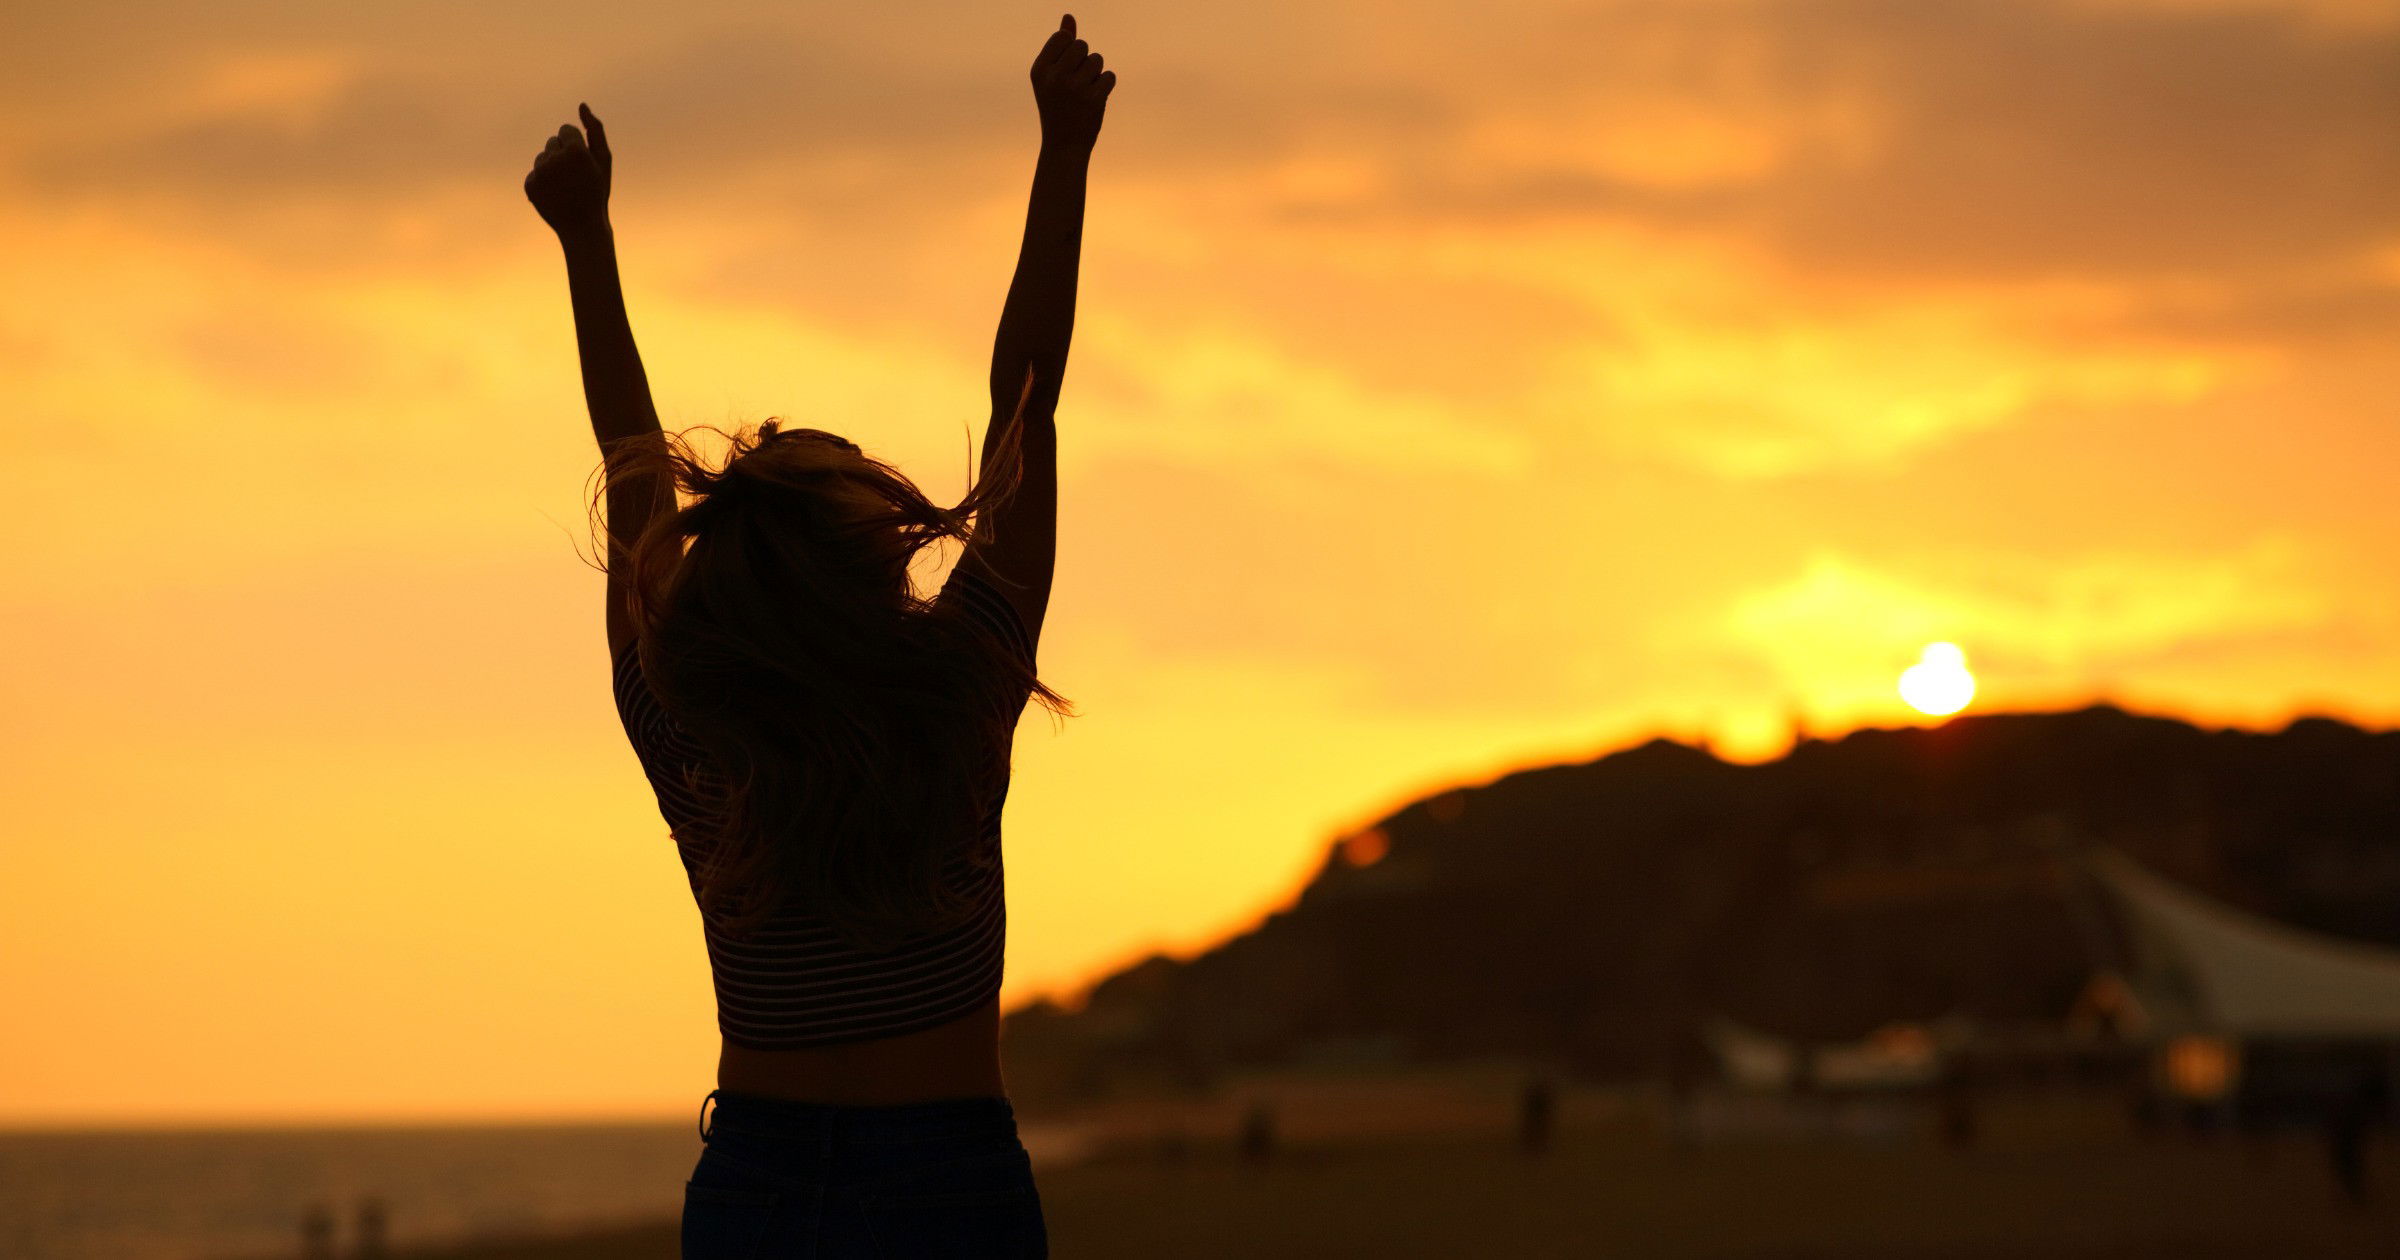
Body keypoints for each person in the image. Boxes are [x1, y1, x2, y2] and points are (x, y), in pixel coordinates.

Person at [522, 14, 1114, 1257]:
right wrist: (1063, 151)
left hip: (761, 1182)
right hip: (947, 1179)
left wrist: (587, 243)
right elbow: (1026, 404)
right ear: (870, 545)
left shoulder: (691, 730)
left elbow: (633, 478)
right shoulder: (957, 691)